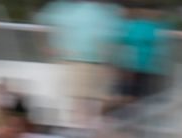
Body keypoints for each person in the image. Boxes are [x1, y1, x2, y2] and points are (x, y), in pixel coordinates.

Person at [35, 0, 123, 129]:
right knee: (83, 109)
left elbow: (42, 26)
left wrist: (48, 46)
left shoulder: (109, 10)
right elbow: (41, 26)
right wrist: (48, 47)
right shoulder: (66, 8)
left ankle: (83, 137)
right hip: (82, 63)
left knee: (87, 109)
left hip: (96, 65)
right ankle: (82, 137)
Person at [118, 5, 169, 104]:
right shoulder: (135, 25)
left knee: (139, 95)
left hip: (145, 68)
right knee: (134, 95)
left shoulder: (155, 26)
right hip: (135, 67)